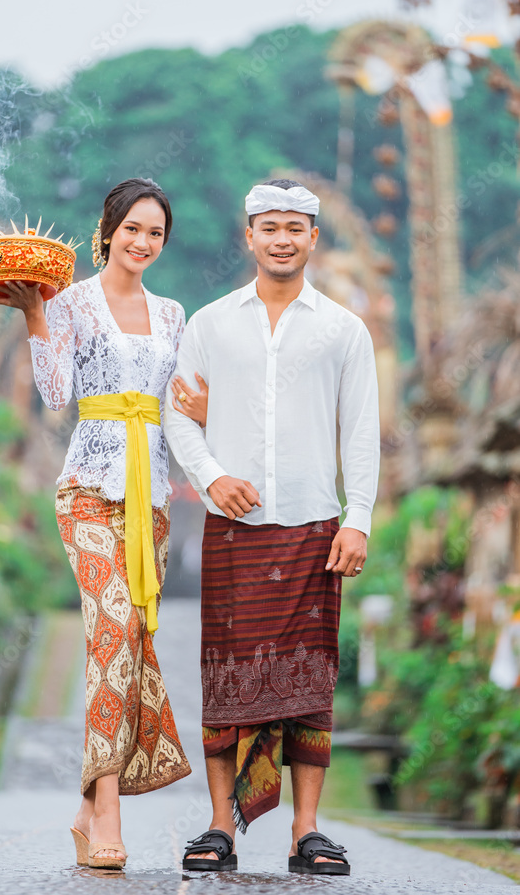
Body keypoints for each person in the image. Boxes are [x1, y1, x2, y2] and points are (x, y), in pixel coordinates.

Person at [0, 178, 205, 870]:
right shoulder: (72, 301)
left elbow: (177, 408)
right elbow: (56, 395)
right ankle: (108, 810)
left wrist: (201, 415)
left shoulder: (172, 314)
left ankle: (84, 811)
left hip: (152, 500)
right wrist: (33, 317)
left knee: (134, 637)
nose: (143, 243)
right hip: (88, 488)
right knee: (110, 630)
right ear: (105, 231)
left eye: (155, 234)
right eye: (132, 229)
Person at [164, 179, 380, 877]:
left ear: (313, 238)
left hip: (315, 528)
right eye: (268, 227)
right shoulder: (209, 323)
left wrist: (359, 520)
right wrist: (210, 476)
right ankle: (219, 824)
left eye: (295, 226)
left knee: (309, 683)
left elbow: (362, 434)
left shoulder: (343, 329)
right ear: (248, 236)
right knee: (226, 677)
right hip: (234, 527)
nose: (281, 238)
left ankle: (306, 832)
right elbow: (176, 413)